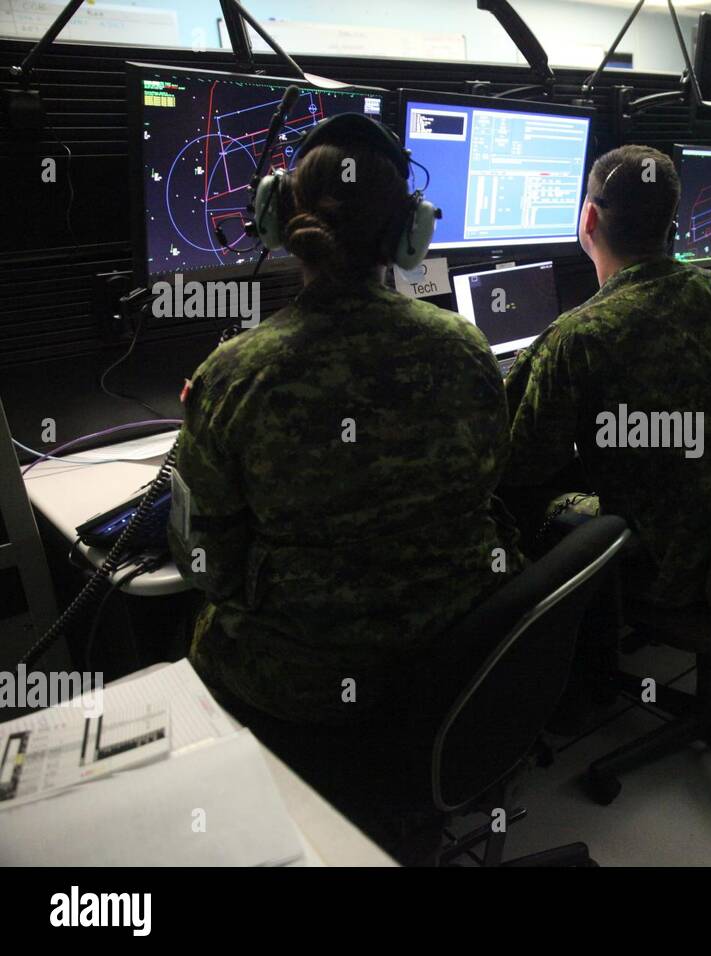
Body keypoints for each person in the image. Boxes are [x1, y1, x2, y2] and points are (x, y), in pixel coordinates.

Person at [169, 115, 523, 733]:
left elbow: (206, 564)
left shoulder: (232, 375)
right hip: (455, 664)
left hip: (296, 689)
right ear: (409, 230)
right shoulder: (466, 349)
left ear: (278, 220)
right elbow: (489, 487)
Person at [502, 144, 711, 610]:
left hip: (664, 562)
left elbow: (523, 464)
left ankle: (575, 672)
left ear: (589, 219)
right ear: (672, 223)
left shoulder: (579, 335)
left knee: (518, 505)